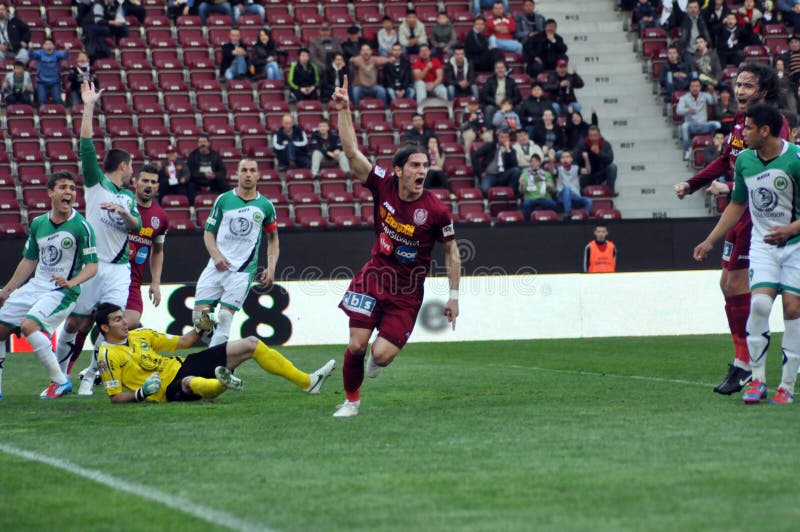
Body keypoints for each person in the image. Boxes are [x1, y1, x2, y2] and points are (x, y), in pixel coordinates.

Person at [330, 76, 461, 418]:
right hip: (373, 277)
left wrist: (454, 296)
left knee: (381, 355)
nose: (422, 170)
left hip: (406, 291)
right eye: (415, 165)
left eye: (425, 165)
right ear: (399, 170)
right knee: (356, 345)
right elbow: (352, 153)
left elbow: (451, 251)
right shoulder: (383, 184)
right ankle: (351, 402)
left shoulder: (436, 210)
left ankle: (377, 360)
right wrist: (344, 110)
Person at [674, 62, 789, 395]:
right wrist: (692, 184)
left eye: (748, 86)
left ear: (763, 92)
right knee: (730, 284)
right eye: (738, 84)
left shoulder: (775, 123)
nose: (740, 91)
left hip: (763, 215)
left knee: (749, 287)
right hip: (740, 212)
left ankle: (748, 365)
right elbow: (727, 161)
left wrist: (732, 188)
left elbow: (775, 167)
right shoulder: (741, 123)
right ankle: (744, 363)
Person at [693, 104, 800, 405]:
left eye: (749, 128)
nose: (743, 133)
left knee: (792, 309)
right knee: (760, 306)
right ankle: (758, 381)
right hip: (764, 246)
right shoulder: (745, 163)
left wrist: (790, 229)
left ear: (765, 131)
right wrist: (710, 241)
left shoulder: (795, 159)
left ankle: (787, 386)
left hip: (795, 246)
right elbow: (737, 204)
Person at [55, 81, 142, 392]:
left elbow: (136, 227)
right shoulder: (95, 183)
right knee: (76, 324)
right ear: (123, 166)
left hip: (118, 270)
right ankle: (59, 377)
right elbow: (86, 145)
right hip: (91, 266)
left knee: (115, 326)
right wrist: (89, 105)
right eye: (131, 167)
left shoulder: (128, 198)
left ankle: (90, 376)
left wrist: (123, 213)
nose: (133, 172)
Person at [95, 303, 335, 403]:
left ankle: (308, 382)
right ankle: (222, 381)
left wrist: (205, 322)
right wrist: (140, 393)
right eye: (117, 320)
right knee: (191, 383)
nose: (125, 322)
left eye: (123, 317)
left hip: (184, 363)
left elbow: (187, 341)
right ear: (105, 328)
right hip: (166, 390)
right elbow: (115, 397)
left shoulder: (141, 335)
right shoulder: (106, 355)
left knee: (251, 343)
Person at [0, 171, 98, 400]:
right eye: (63, 187)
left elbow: (92, 266)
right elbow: (29, 260)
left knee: (29, 326)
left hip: (62, 291)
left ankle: (61, 381)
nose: (69, 192)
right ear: (50, 193)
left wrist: (71, 282)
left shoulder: (81, 227)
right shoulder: (38, 224)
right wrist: (7, 291)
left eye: (72, 188)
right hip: (36, 285)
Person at [193, 158, 279, 348]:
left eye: (252, 170)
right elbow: (208, 232)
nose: (248, 174)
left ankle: (212, 364)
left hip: (242, 271)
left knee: (224, 317)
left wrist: (271, 267)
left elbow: (273, 239)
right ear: (237, 174)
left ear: (258, 175)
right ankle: (220, 354)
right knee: (199, 318)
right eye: (244, 170)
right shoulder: (223, 200)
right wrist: (216, 255)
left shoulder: (265, 206)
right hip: (216, 266)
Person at [124, 165, 168, 331]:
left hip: (133, 281)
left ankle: (100, 355)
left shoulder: (161, 217)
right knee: (80, 324)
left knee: (131, 321)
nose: (149, 185)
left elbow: (158, 251)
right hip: (108, 273)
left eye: (153, 182)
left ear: (157, 186)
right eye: (145, 181)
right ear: (135, 182)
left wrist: (155, 283)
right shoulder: (123, 204)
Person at [677, 79, 721, 160]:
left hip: (704, 124)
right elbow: (678, 110)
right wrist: (687, 110)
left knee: (717, 125)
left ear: (700, 87)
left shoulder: (704, 95)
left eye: (697, 86)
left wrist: (712, 93)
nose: (695, 88)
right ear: (689, 88)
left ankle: (715, 147)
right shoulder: (684, 98)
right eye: (693, 86)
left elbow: (713, 102)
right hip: (691, 124)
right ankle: (687, 152)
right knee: (684, 127)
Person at [472, 128, 521, 195]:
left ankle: (510, 193)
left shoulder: (511, 149)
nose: (504, 139)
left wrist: (508, 150)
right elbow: (475, 156)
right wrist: (480, 172)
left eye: (507, 137)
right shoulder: (490, 146)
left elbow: (514, 165)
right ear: (498, 137)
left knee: (516, 170)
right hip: (490, 175)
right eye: (502, 137)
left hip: (503, 175)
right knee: (485, 190)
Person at [186, 134, 229, 204]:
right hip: (198, 181)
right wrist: (204, 175)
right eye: (200, 142)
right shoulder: (192, 155)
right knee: (189, 186)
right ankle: (192, 208)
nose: (202, 144)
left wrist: (215, 175)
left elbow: (222, 171)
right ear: (198, 144)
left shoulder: (215, 155)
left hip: (212, 181)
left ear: (209, 143)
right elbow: (190, 172)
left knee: (225, 185)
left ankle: (226, 205)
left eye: (204, 142)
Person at [479, 60, 522, 125]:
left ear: (505, 69)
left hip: (508, 104)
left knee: (519, 108)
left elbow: (518, 96)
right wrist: (494, 101)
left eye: (502, 68)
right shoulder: (489, 81)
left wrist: (509, 103)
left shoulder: (511, 81)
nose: (500, 70)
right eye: (498, 68)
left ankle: (517, 130)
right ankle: (489, 130)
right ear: (495, 70)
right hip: (494, 104)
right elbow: (484, 95)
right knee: (489, 109)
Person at [578, 126, 617, 195]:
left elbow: (610, 159)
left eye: (595, 135)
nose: (593, 138)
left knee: (612, 167)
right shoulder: (583, 145)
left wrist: (599, 153)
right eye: (591, 136)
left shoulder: (606, 144)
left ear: (599, 136)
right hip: (589, 174)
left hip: (602, 173)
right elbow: (575, 158)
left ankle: (610, 191)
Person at [519, 154, 557, 220]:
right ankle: (526, 225)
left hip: (544, 198)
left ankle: (551, 225)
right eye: (531, 161)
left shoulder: (546, 174)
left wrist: (550, 186)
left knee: (552, 204)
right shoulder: (524, 174)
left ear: (539, 163)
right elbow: (521, 191)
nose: (533, 163)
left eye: (536, 161)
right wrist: (522, 184)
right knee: (526, 204)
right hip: (530, 198)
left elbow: (553, 191)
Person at [31, 38, 68, 106]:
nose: (48, 46)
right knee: (41, 102)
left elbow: (65, 56)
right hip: (42, 82)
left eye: (50, 44)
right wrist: (30, 49)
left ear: (53, 46)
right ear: (43, 46)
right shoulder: (40, 53)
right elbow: (31, 55)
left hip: (55, 82)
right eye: (46, 44)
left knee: (58, 101)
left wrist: (67, 50)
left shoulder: (56, 53)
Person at [556, 150, 593, 214]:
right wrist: (551, 160)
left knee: (589, 201)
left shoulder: (576, 168)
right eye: (563, 157)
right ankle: (568, 213)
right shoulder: (558, 169)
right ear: (560, 160)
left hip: (575, 196)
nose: (565, 159)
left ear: (571, 159)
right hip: (562, 197)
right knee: (567, 188)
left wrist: (586, 159)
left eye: (567, 157)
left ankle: (583, 218)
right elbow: (551, 170)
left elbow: (588, 171)